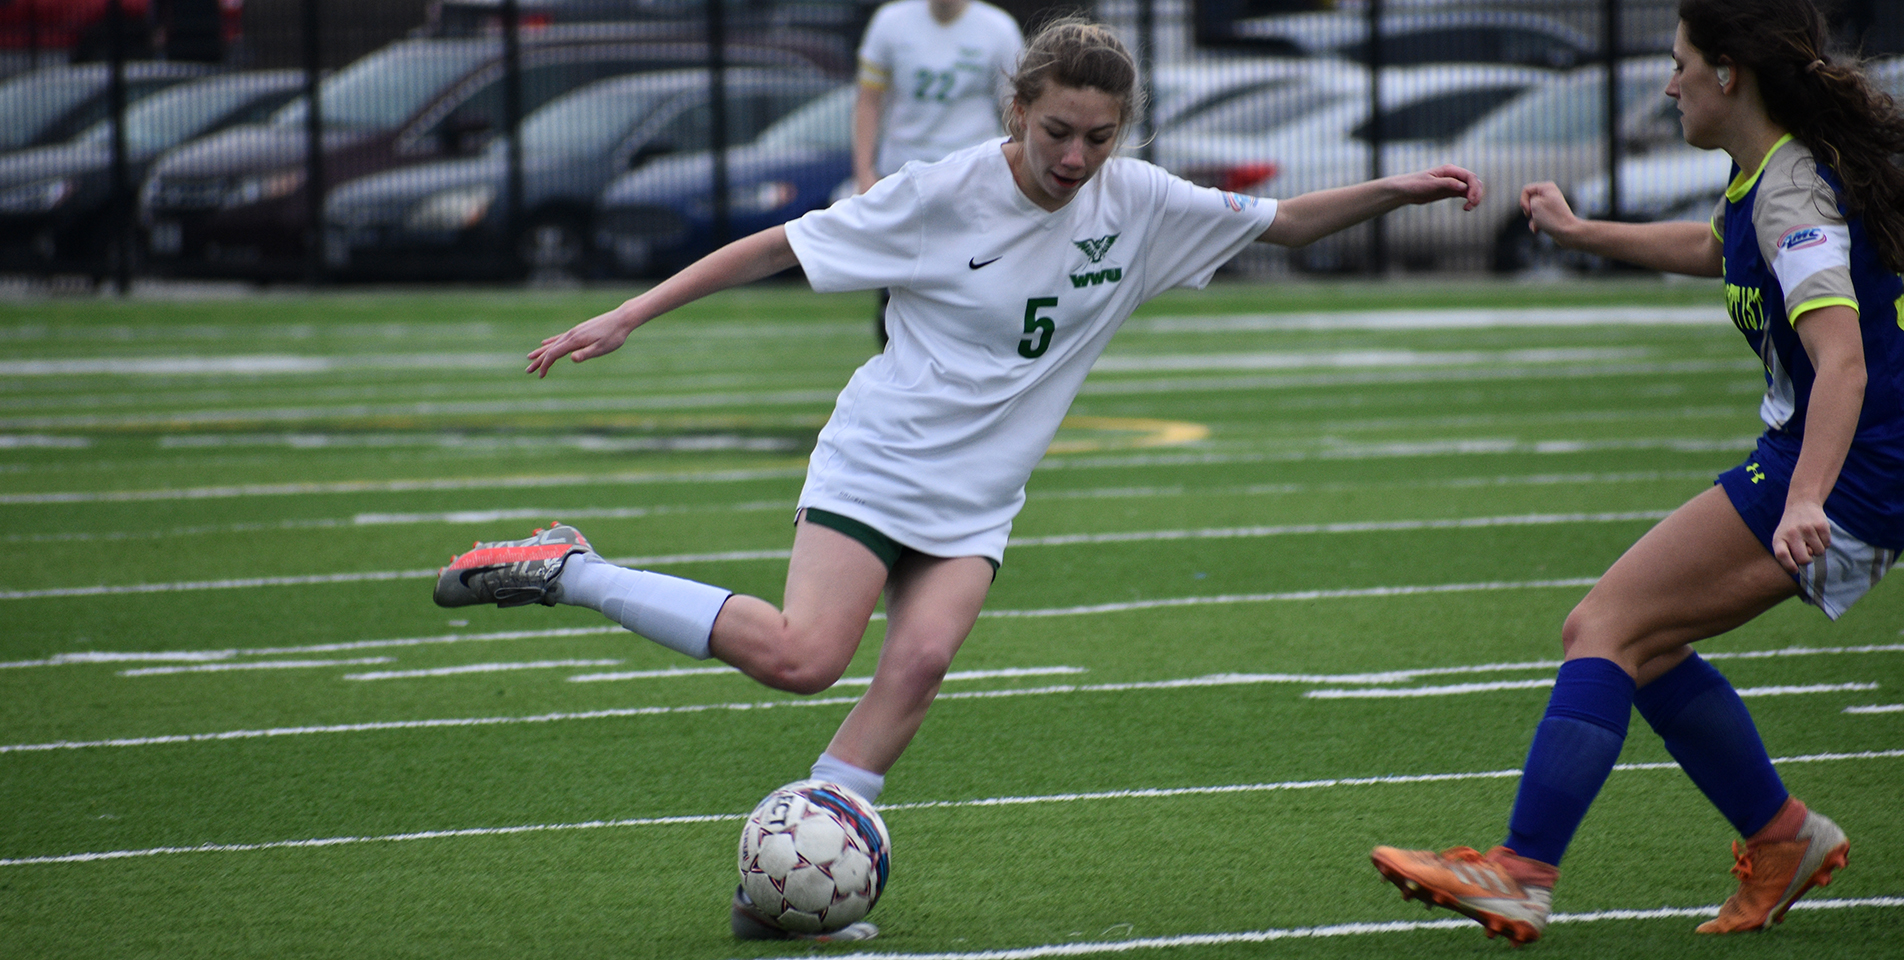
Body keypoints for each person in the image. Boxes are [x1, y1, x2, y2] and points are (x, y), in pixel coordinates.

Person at [433, 15, 1484, 943]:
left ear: (1123, 132)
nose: (1075, 156)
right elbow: (773, 248)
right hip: (882, 458)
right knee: (804, 658)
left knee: (923, 662)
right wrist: (628, 313)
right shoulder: (942, 196)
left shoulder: (1139, 204)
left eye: (1098, 136)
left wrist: (1398, 187)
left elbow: (1283, 224)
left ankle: (784, 894)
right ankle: (571, 569)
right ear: (1015, 109)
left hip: (983, 494)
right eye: (1056, 131)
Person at [1371, 0, 1903, 946]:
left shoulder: (1790, 193)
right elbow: (1715, 249)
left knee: (1605, 628)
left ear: (1728, 72)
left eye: (1678, 63)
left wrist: (1811, 498)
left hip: (1851, 463)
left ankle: (1521, 874)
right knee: (1642, 646)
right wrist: (1583, 234)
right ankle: (1783, 839)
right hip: (1828, 452)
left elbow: (1846, 363)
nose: (1668, 84)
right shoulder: (1764, 178)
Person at [853, 0, 1025, 347]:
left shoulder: (999, 29)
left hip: (973, 181)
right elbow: (869, 101)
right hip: (902, 176)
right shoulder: (890, 22)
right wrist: (864, 174)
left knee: (971, 285)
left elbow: (1016, 109)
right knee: (896, 292)